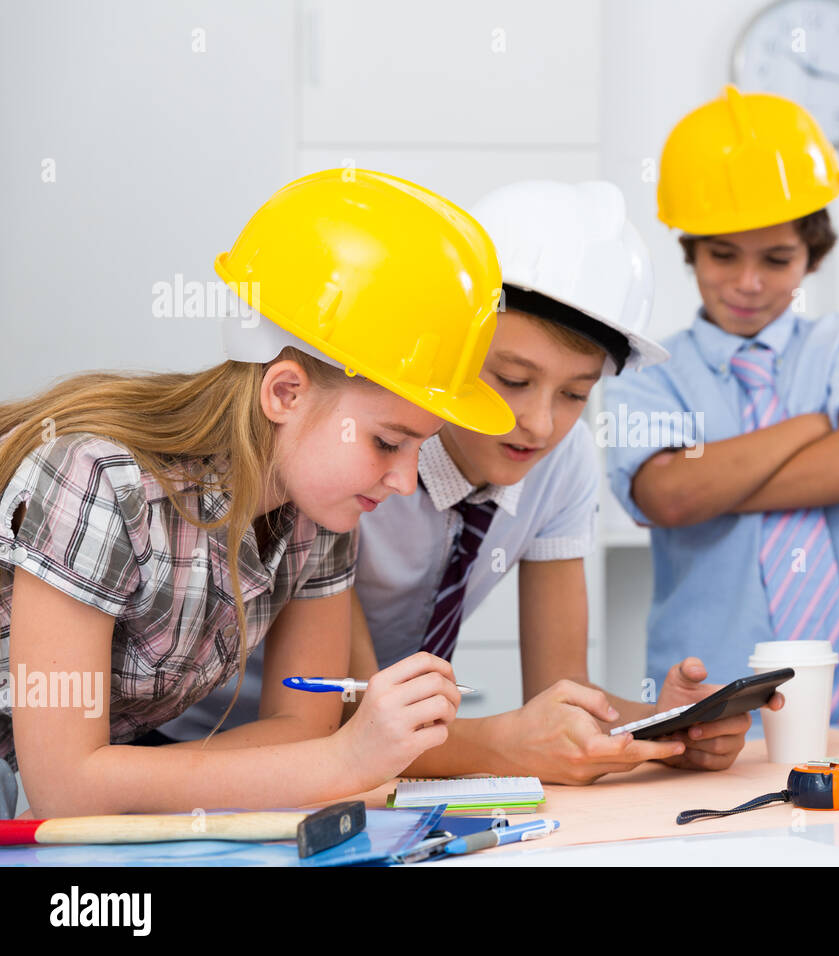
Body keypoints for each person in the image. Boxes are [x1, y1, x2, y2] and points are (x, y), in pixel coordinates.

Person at [164, 180, 775, 784]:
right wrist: (506, 745)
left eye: (575, 395)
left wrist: (664, 728)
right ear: (448, 356)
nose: (538, 424)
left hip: (368, 756)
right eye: (510, 380)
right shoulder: (351, 462)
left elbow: (559, 685)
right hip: (211, 746)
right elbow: (344, 715)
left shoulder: (563, 465)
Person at [0, 169, 511, 817]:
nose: (406, 480)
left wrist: (112, 779)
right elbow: (63, 791)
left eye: (420, 447)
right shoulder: (96, 480)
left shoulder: (320, 513)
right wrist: (346, 759)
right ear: (285, 392)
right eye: (387, 442)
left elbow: (302, 729)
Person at [605, 86, 839, 724]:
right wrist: (810, 428)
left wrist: (712, 483)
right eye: (723, 255)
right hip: (711, 699)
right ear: (690, 248)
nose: (748, 283)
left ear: (812, 258)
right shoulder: (648, 371)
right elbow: (666, 498)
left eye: (777, 259)